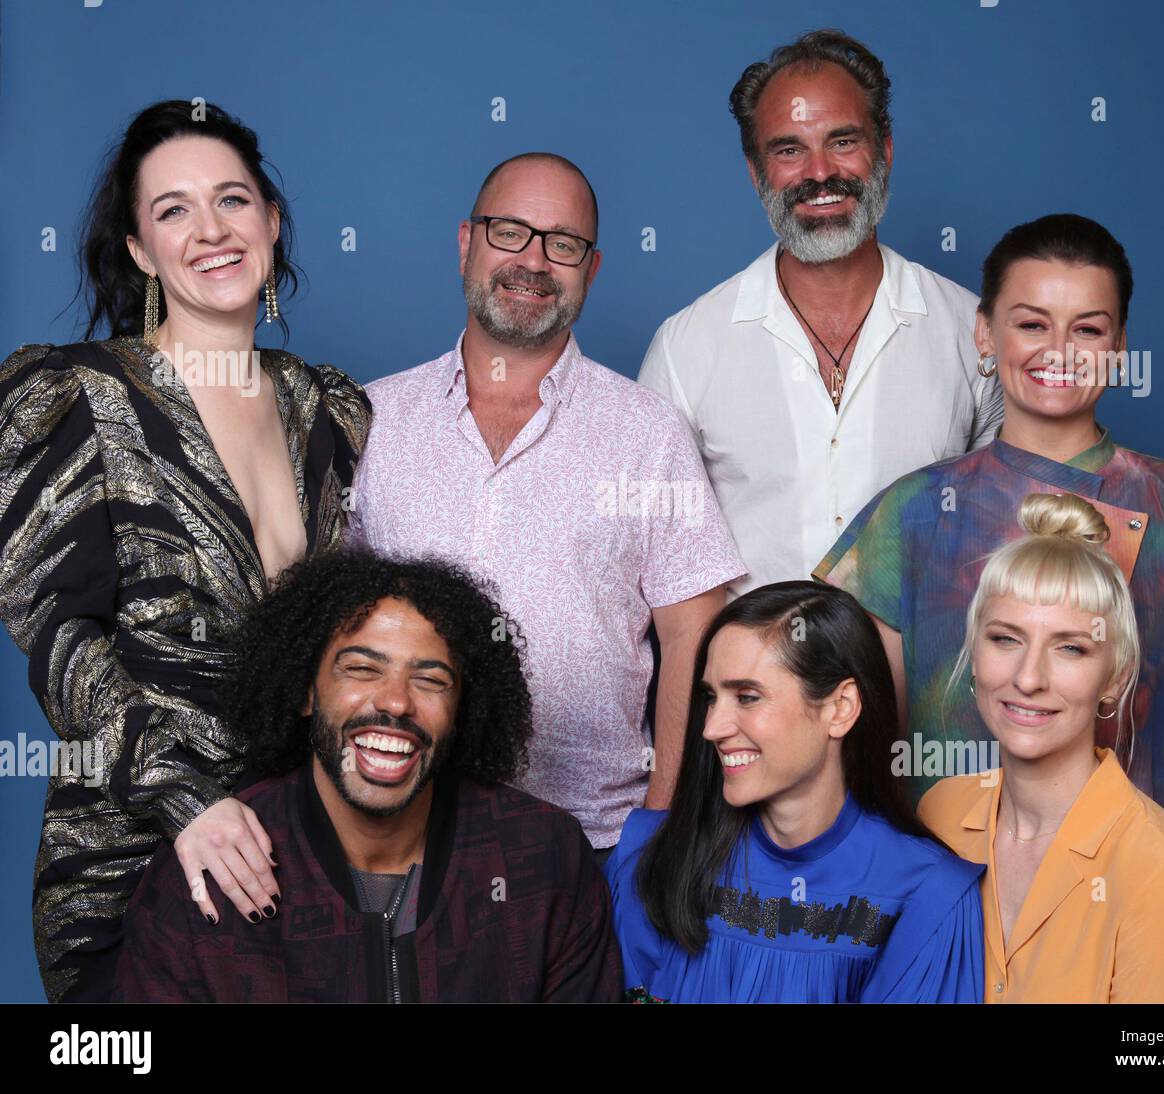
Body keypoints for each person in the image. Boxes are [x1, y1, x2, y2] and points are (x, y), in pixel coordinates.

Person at [0, 101, 371, 1001]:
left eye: (233, 200)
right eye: (172, 210)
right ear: (138, 248)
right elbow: (54, 635)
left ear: (272, 223)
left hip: (299, 850)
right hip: (139, 849)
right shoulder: (78, 396)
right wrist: (187, 806)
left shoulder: (328, 410)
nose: (211, 230)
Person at [816, 213, 1164, 862]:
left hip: (1137, 892)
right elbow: (873, 729)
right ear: (985, 331)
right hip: (957, 897)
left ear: (1121, 343)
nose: (1060, 352)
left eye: (1088, 329)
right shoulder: (913, 513)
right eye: (1032, 323)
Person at [351, 153, 746, 856]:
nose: (533, 261)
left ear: (590, 270)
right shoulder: (372, 420)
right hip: (393, 837)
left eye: (562, 244)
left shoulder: (647, 433)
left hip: (591, 844)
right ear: (466, 242)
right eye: (511, 232)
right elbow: (328, 627)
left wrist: (658, 831)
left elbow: (694, 638)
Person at [113, 548, 621, 1002]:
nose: (396, 701)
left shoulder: (545, 859)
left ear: (461, 710)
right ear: (307, 692)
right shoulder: (212, 873)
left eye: (430, 679)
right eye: (361, 669)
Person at [639, 29, 1003, 597]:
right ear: (756, 170)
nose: (817, 173)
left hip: (926, 683)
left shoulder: (974, 331)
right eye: (789, 150)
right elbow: (665, 570)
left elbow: (1004, 540)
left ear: (884, 150)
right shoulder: (686, 348)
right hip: (752, 681)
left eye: (842, 141)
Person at [604, 581, 984, 1003]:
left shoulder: (926, 895)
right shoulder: (647, 856)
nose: (711, 727)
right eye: (711, 697)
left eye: (747, 697)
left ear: (839, 709)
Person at [918, 493, 1164, 1002]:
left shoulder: (1160, 870)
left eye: (1070, 647)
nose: (1028, 677)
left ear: (1115, 678)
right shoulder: (940, 813)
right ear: (973, 655)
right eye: (1006, 639)